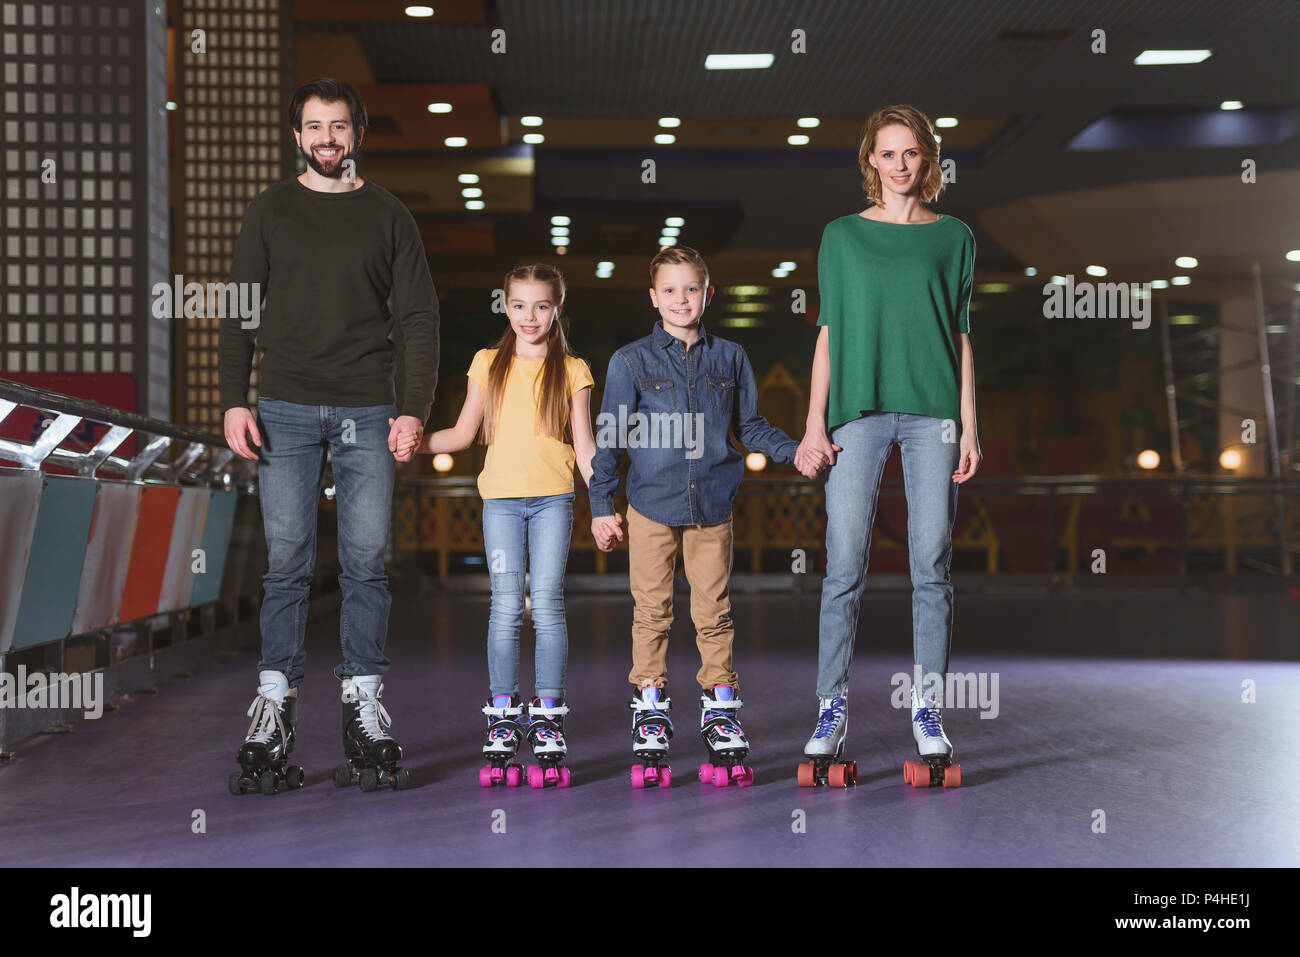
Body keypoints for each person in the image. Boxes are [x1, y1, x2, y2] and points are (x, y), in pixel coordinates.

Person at [221, 78, 438, 794]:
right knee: (285, 561)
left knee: (366, 561)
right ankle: (273, 706)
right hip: (281, 404)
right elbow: (239, 311)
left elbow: (417, 319)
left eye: (338, 126)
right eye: (313, 126)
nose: (326, 138)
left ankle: (364, 705)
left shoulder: (389, 215)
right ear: (297, 135)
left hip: (369, 408)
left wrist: (411, 408)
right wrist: (232, 401)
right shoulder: (270, 210)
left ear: (357, 133)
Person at [587, 246, 824, 789]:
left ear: (708, 294)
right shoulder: (630, 361)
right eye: (669, 290)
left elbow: (752, 427)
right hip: (649, 503)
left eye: (691, 289)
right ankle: (650, 707)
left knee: (713, 613)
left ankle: (720, 709)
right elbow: (611, 438)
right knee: (652, 612)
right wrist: (602, 505)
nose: (680, 299)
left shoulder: (731, 358)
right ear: (653, 298)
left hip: (713, 506)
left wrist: (800, 449)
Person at [795, 104, 981, 789]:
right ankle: (830, 709)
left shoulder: (954, 236)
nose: (900, 164)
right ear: (870, 161)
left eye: (911, 153)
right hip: (858, 411)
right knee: (844, 562)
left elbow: (960, 334)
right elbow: (828, 334)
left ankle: (928, 707)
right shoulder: (841, 237)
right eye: (887, 153)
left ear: (927, 160)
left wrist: (970, 423)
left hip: (933, 411)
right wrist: (814, 422)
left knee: (930, 561)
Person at [395, 264, 594, 789]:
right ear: (505, 306)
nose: (530, 317)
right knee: (506, 606)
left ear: (557, 307)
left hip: (553, 500)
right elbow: (461, 434)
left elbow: (586, 447)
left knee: (547, 604)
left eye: (542, 306)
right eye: (520, 305)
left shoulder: (573, 369)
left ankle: (548, 717)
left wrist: (604, 506)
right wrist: (411, 441)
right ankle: (504, 717)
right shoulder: (488, 363)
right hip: (501, 504)